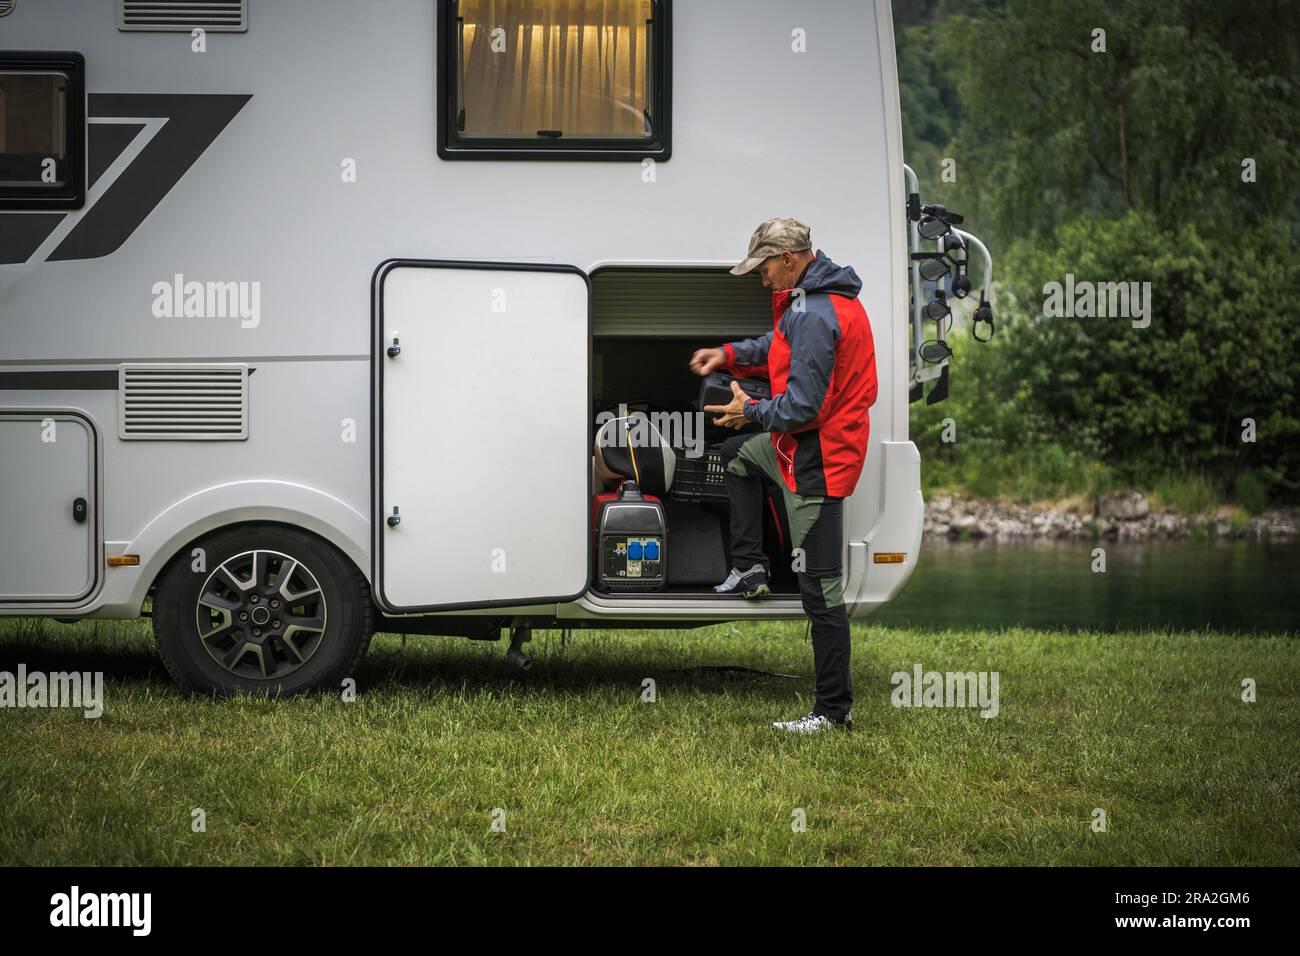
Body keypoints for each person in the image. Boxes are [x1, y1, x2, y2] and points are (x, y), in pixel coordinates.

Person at [690, 218, 878, 734]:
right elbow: (775, 347)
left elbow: (800, 408)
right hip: (790, 447)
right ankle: (749, 567)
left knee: (821, 591)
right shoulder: (805, 301)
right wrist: (726, 355)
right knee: (735, 456)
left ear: (790, 259)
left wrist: (748, 411)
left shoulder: (820, 314)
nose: (760, 276)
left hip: (819, 459)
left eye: (764, 266)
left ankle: (832, 712)